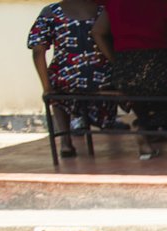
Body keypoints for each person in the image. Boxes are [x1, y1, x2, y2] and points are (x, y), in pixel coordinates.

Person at [92, 0, 167, 160]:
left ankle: (144, 132)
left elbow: (97, 32)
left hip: (125, 74)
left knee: (139, 94)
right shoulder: (164, 5)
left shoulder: (114, 4)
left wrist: (116, 61)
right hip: (159, 69)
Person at [28, 0, 117, 159]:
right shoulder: (103, 10)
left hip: (67, 78)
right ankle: (102, 121)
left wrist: (47, 88)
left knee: (56, 89)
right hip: (102, 78)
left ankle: (66, 141)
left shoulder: (51, 12)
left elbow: (38, 51)